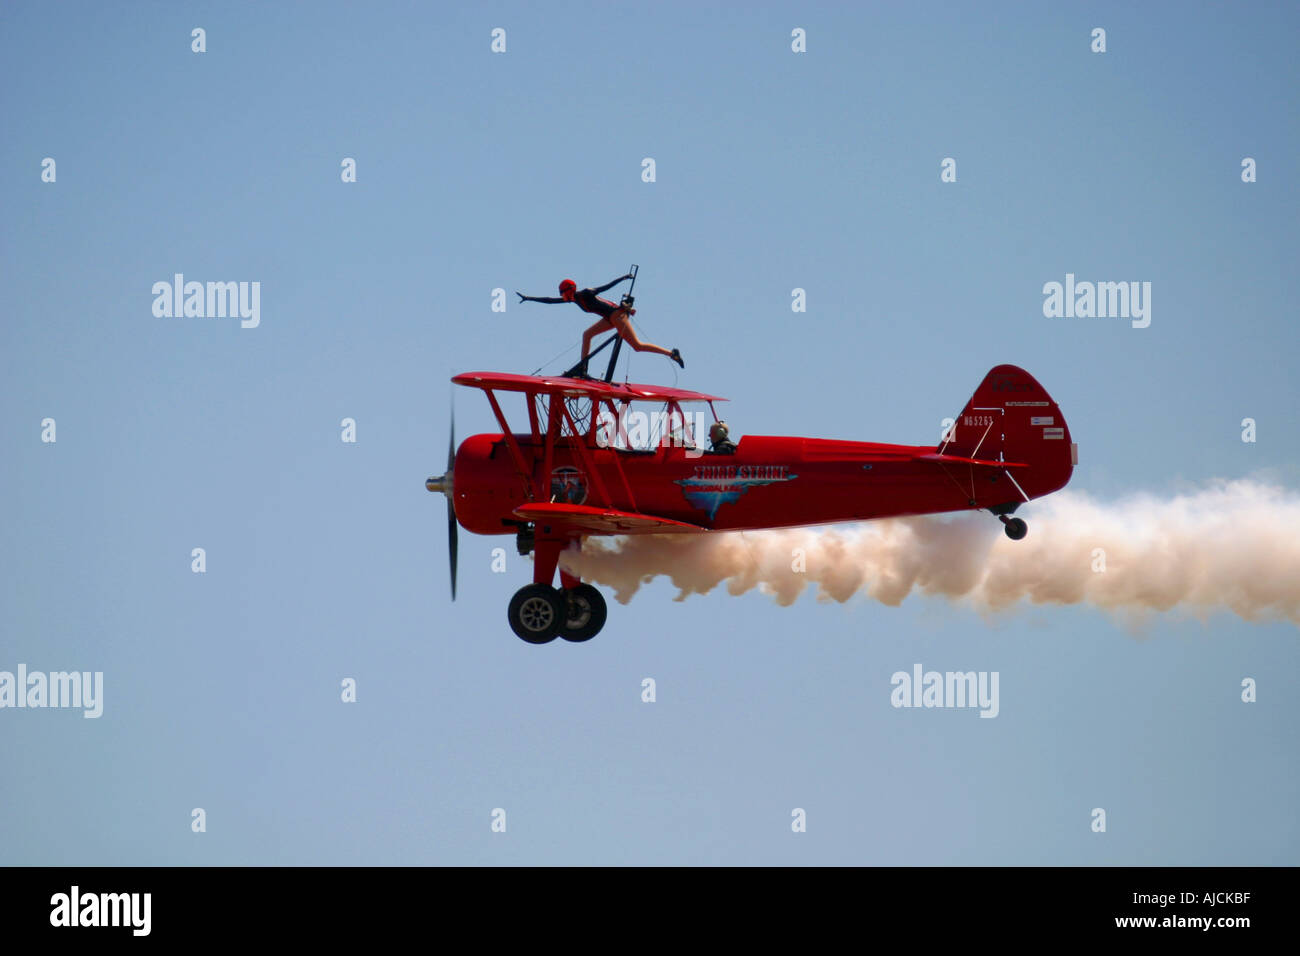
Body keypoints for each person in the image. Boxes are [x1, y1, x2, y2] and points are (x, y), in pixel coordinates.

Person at [517, 274, 684, 376]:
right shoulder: (574, 299)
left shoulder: (586, 294)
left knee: (637, 346)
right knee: (587, 335)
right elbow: (550, 301)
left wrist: (623, 278)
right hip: (609, 317)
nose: (561, 296)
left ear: (570, 289)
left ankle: (671, 353)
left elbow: (606, 287)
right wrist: (529, 298)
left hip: (617, 315)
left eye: (562, 292)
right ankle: (583, 369)